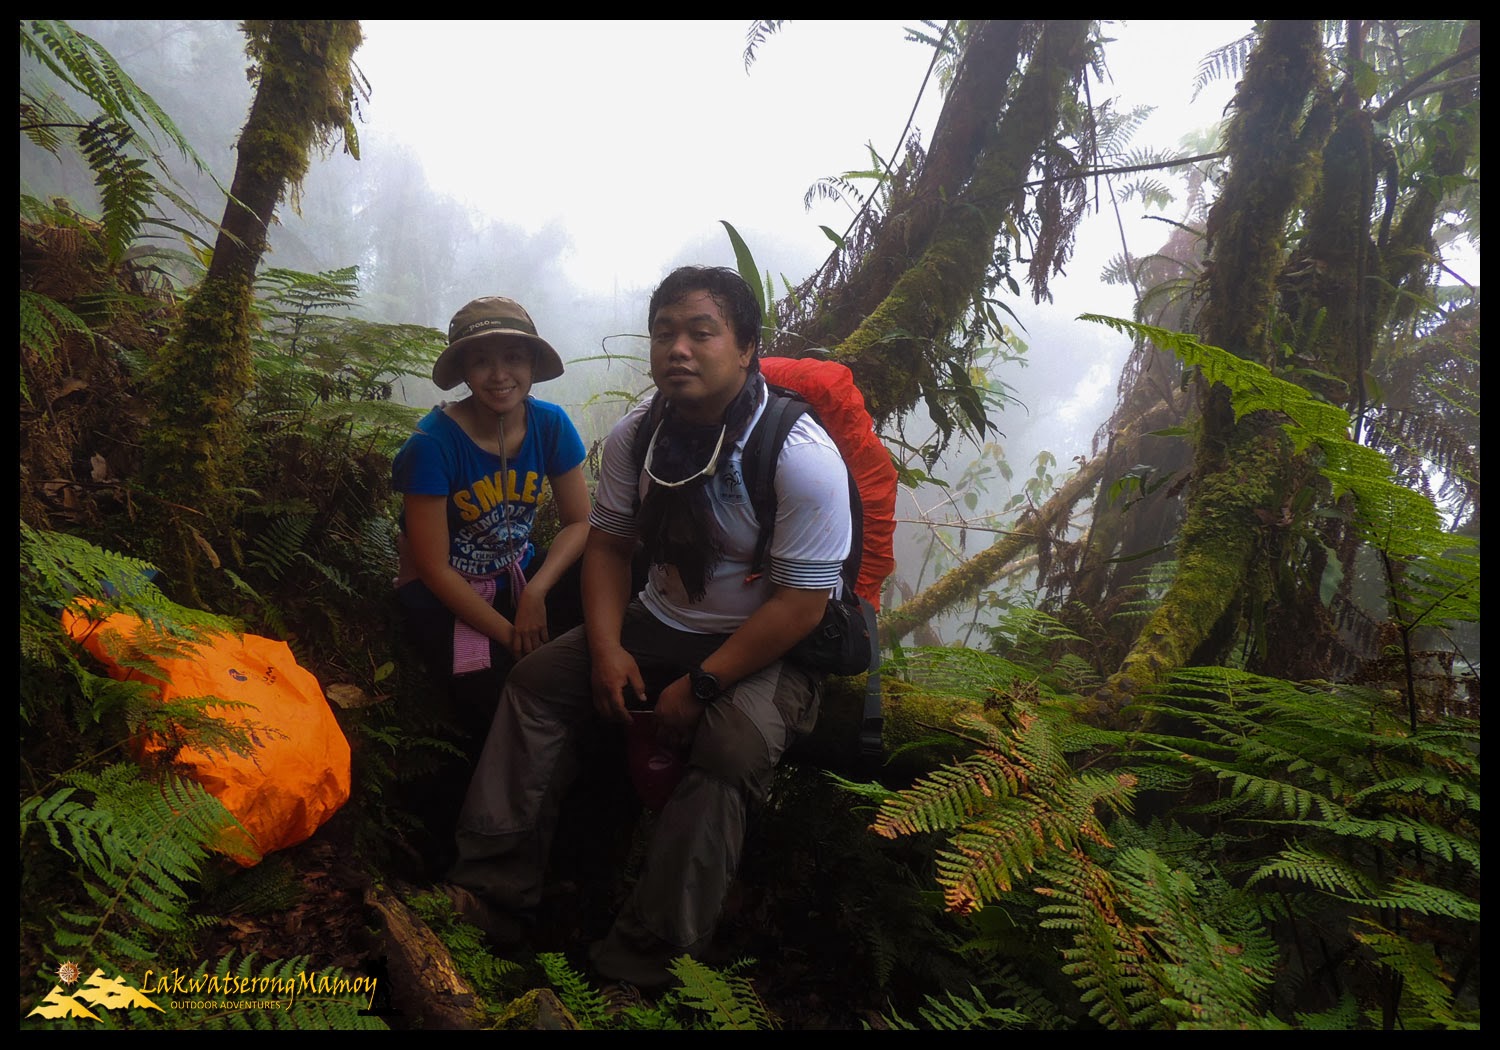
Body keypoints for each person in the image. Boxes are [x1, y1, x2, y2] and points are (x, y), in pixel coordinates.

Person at [447, 266, 852, 989]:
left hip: (766, 644)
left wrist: (702, 686)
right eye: (665, 333)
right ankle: (490, 894)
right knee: (536, 685)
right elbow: (608, 548)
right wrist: (605, 650)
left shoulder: (799, 455)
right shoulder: (640, 434)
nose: (678, 349)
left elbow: (801, 605)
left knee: (730, 748)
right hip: (658, 619)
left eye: (702, 332)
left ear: (747, 348)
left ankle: (643, 965)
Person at [391, 295, 591, 752]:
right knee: (497, 701)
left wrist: (536, 593)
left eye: (514, 358)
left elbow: (580, 523)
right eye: (481, 361)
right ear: (464, 370)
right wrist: (511, 635)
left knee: (615, 572)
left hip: (518, 572)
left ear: (532, 364)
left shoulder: (550, 425)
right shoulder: (431, 445)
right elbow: (433, 568)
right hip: (445, 591)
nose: (499, 375)